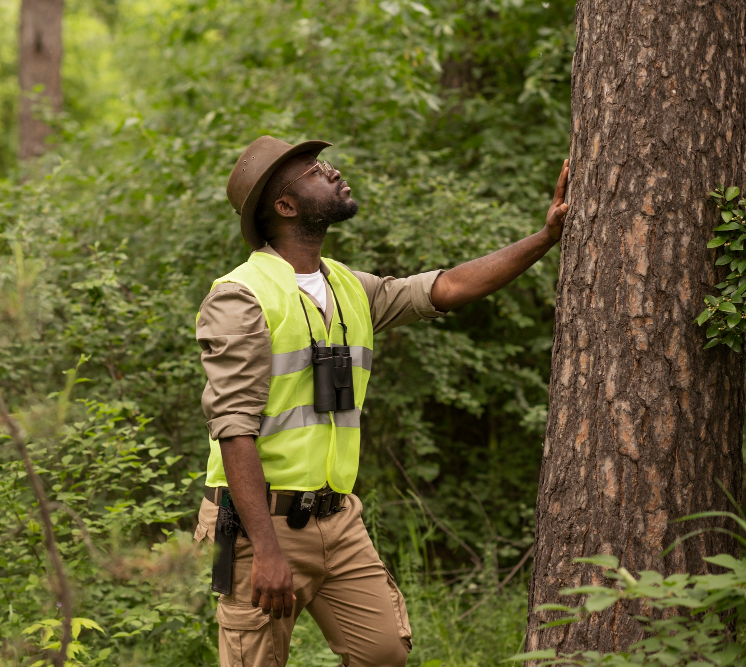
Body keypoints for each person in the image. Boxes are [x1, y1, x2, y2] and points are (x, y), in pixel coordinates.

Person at [193, 135, 569, 667]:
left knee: (384, 653)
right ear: (285, 207)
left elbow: (448, 288)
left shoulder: (349, 286)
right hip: (262, 526)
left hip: (337, 518)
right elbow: (234, 429)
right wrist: (268, 550)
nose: (331, 171)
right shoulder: (241, 296)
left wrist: (545, 237)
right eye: (312, 171)